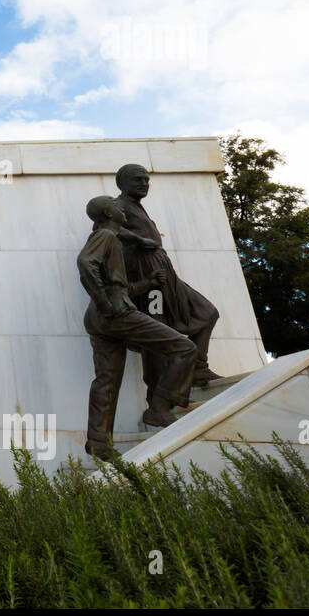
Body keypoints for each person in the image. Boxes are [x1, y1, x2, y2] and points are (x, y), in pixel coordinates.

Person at [77, 195, 198, 462]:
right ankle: (158, 406)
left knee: (106, 380)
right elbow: (86, 264)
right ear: (110, 211)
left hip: (101, 317)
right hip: (113, 315)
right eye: (116, 206)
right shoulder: (106, 236)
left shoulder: (111, 238)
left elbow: (119, 287)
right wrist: (106, 303)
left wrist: (147, 283)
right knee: (184, 347)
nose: (122, 209)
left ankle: (98, 441)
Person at [114, 164, 222, 402]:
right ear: (122, 183)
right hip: (150, 278)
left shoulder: (138, 207)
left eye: (146, 180)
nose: (144, 183)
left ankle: (198, 367)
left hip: (165, 274)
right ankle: (160, 396)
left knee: (207, 312)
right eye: (137, 180)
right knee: (157, 326)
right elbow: (104, 228)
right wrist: (138, 239)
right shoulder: (118, 204)